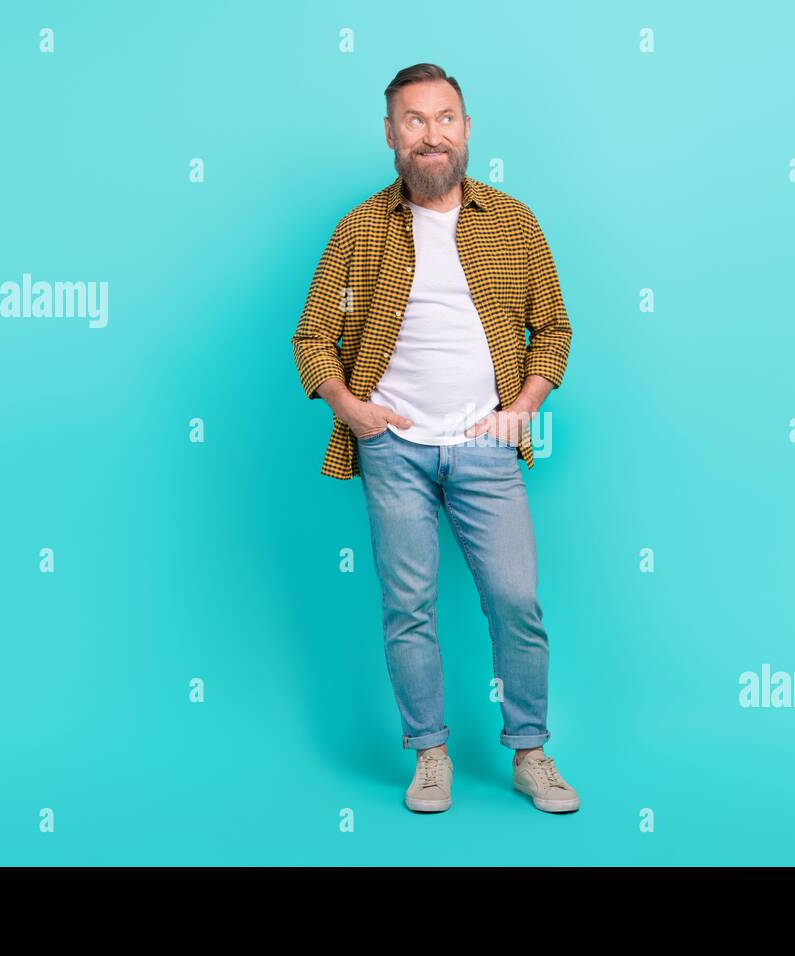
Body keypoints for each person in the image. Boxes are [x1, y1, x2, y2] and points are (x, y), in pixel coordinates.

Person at [291, 63, 577, 814]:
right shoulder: (359, 228)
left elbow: (553, 329)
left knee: (516, 600)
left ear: (467, 128)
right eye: (414, 120)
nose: (431, 134)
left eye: (445, 118)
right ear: (391, 134)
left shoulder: (513, 223)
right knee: (408, 608)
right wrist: (352, 410)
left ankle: (531, 753)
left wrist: (522, 408)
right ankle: (429, 756)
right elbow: (312, 338)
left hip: (487, 446)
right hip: (395, 451)